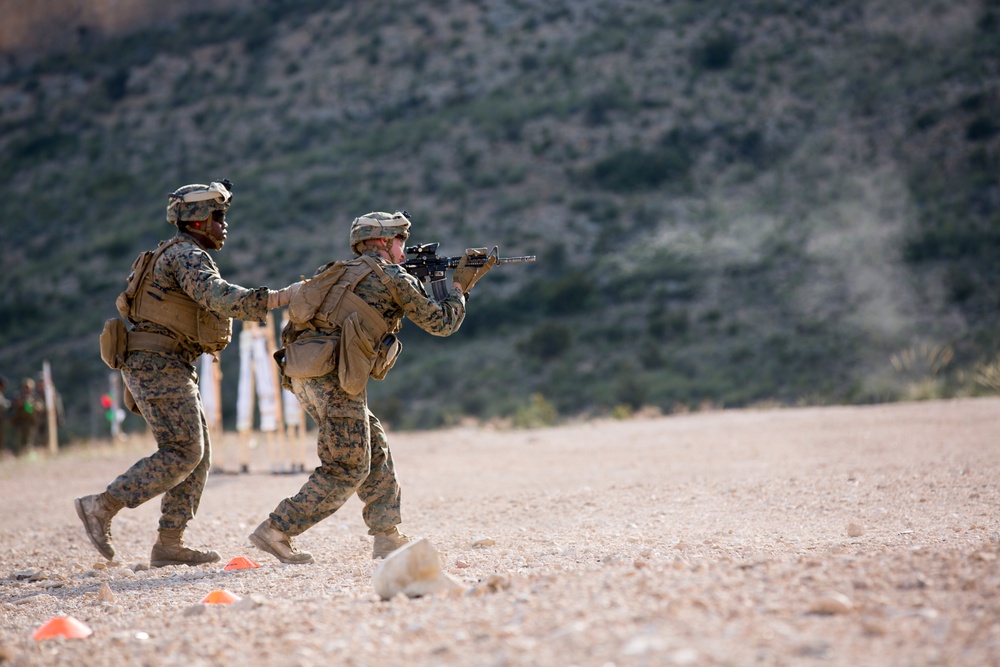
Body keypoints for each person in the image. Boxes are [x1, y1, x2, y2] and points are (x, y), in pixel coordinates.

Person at [75, 180, 302, 568]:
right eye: (218, 216)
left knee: (197, 455)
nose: (224, 225)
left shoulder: (181, 252)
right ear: (197, 220)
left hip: (168, 363)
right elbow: (218, 297)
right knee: (185, 451)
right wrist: (281, 297)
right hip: (156, 363)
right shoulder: (185, 256)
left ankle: (169, 544)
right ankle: (101, 506)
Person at [249, 211, 495, 564]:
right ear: (383, 242)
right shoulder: (393, 277)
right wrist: (460, 287)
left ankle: (387, 535)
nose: (403, 250)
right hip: (335, 376)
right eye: (400, 241)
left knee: (371, 443)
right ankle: (277, 529)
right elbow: (442, 322)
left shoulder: (336, 271)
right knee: (347, 466)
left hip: (304, 372)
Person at [10, 378, 39, 455]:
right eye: (25, 387)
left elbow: (40, 407)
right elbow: (12, 405)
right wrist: (19, 403)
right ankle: (19, 454)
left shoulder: (35, 397)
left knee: (30, 441)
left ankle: (28, 454)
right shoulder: (18, 396)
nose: (27, 389)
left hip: (30, 423)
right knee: (19, 441)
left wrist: (34, 406)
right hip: (20, 422)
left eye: (28, 388)